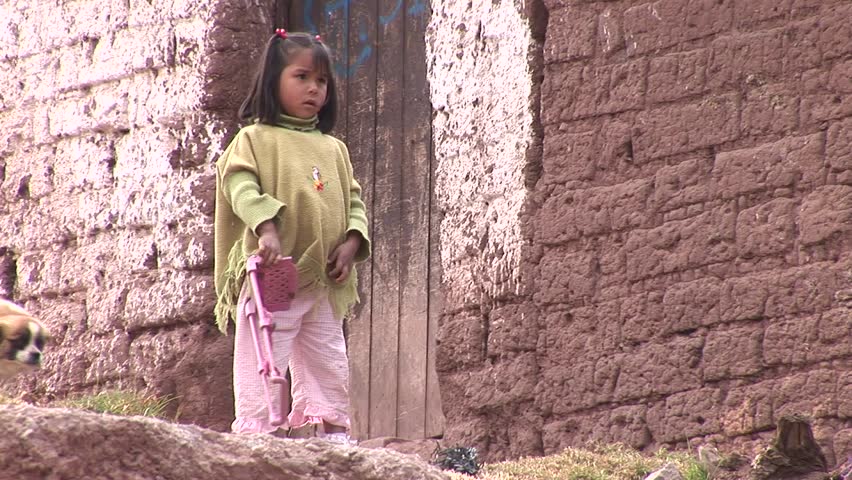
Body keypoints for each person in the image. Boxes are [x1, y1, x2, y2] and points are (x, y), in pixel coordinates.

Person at [213, 29, 370, 444]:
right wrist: (267, 229)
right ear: (273, 81)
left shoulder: (333, 148)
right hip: (274, 278)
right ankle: (257, 440)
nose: (313, 88)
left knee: (328, 359)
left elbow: (354, 201)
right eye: (301, 77)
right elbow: (240, 187)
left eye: (321, 81)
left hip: (321, 282)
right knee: (264, 360)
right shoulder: (254, 140)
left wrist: (352, 243)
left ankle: (334, 440)